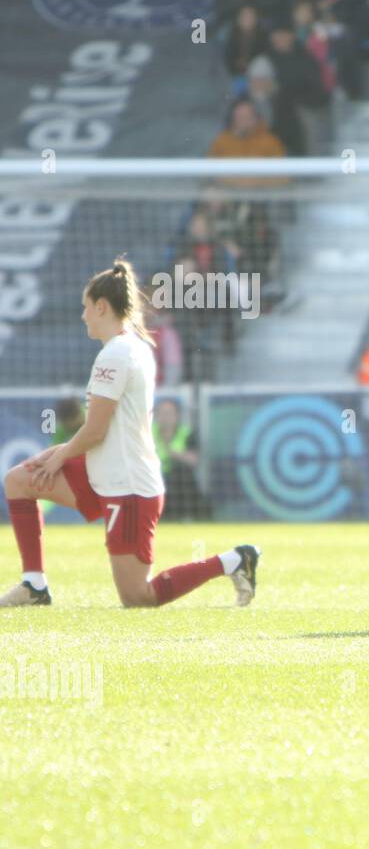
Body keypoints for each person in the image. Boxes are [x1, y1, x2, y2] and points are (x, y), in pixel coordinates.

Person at [2, 259, 259, 608]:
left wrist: (59, 454)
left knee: (138, 597)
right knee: (19, 480)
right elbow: (105, 429)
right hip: (102, 475)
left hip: (128, 487)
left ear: (102, 307)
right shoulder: (130, 347)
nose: (83, 316)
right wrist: (56, 452)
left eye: (86, 307)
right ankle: (34, 585)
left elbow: (95, 431)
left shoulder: (116, 355)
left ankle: (232, 560)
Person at [153, 399, 211, 521]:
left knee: (182, 473)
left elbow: (193, 460)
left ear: (177, 416)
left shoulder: (186, 433)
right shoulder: (148, 433)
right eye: (162, 413)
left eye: (169, 414)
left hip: (178, 482)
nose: (165, 418)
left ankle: (188, 516)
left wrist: (174, 453)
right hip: (154, 477)